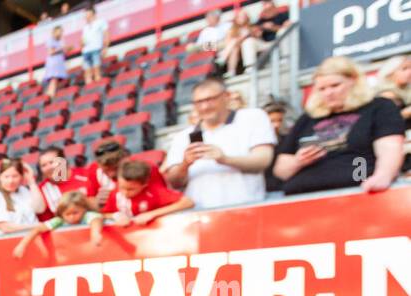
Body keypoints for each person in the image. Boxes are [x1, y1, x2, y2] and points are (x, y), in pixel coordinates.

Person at [274, 56, 405, 196]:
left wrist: (383, 176)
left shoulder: (378, 106)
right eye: (322, 89)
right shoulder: (308, 117)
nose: (328, 93)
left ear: (354, 81)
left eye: (335, 86)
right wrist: (298, 161)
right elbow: (281, 170)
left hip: (357, 188)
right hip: (302, 195)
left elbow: (390, 147)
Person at [161, 78, 276, 209]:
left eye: (211, 99)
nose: (205, 106)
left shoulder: (252, 117)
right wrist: (185, 164)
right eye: (199, 102)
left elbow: (263, 161)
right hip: (198, 216)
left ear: (226, 96)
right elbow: (175, 182)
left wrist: (225, 159)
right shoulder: (182, 136)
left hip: (247, 207)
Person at [13, 190, 104, 259]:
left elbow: (96, 219)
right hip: (69, 257)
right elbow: (38, 229)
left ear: (84, 209)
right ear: (62, 213)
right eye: (68, 214)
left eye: (75, 213)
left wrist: (95, 234)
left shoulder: (87, 216)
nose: (71, 217)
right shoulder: (59, 221)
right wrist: (22, 245)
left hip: (91, 256)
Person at [102, 160, 193, 226]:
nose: (125, 192)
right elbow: (104, 214)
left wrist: (151, 214)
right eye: (121, 187)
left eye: (131, 189)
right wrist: (115, 215)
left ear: (144, 185)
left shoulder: (155, 192)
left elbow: (188, 202)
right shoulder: (115, 192)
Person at [0, 158, 47, 234]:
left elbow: (40, 209)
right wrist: (36, 226)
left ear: (21, 176)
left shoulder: (23, 190)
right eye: (6, 177)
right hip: (11, 241)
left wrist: (31, 182)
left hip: (33, 237)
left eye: (15, 176)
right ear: (0, 177)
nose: (10, 181)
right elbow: (5, 227)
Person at [35, 146, 92, 218]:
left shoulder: (86, 174)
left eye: (52, 162)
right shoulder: (41, 190)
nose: (49, 167)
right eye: (44, 165)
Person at [374, 53, 411, 128]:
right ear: (390, 73)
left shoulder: (406, 90)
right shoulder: (387, 94)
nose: (409, 72)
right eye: (404, 69)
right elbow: (386, 120)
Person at [219, 10, 260, 76]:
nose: (242, 18)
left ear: (247, 18)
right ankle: (231, 71)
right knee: (235, 48)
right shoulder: (232, 29)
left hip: (249, 48)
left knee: (235, 42)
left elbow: (258, 36)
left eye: (243, 17)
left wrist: (244, 36)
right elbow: (227, 42)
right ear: (236, 19)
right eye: (239, 17)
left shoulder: (252, 26)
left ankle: (223, 57)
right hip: (237, 50)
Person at [81, 6, 108, 86]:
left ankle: (98, 88)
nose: (86, 16)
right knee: (87, 74)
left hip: (96, 49)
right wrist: (82, 44)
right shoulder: (85, 27)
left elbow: (106, 35)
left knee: (97, 72)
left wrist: (105, 48)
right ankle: (90, 91)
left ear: (92, 14)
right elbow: (83, 40)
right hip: (86, 51)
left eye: (87, 14)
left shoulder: (101, 22)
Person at [44, 26, 68, 98]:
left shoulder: (61, 41)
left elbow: (65, 51)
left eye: (61, 32)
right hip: (53, 63)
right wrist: (61, 48)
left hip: (59, 63)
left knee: (56, 80)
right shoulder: (50, 40)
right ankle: (50, 95)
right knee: (53, 80)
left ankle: (52, 95)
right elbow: (50, 52)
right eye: (59, 31)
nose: (60, 33)